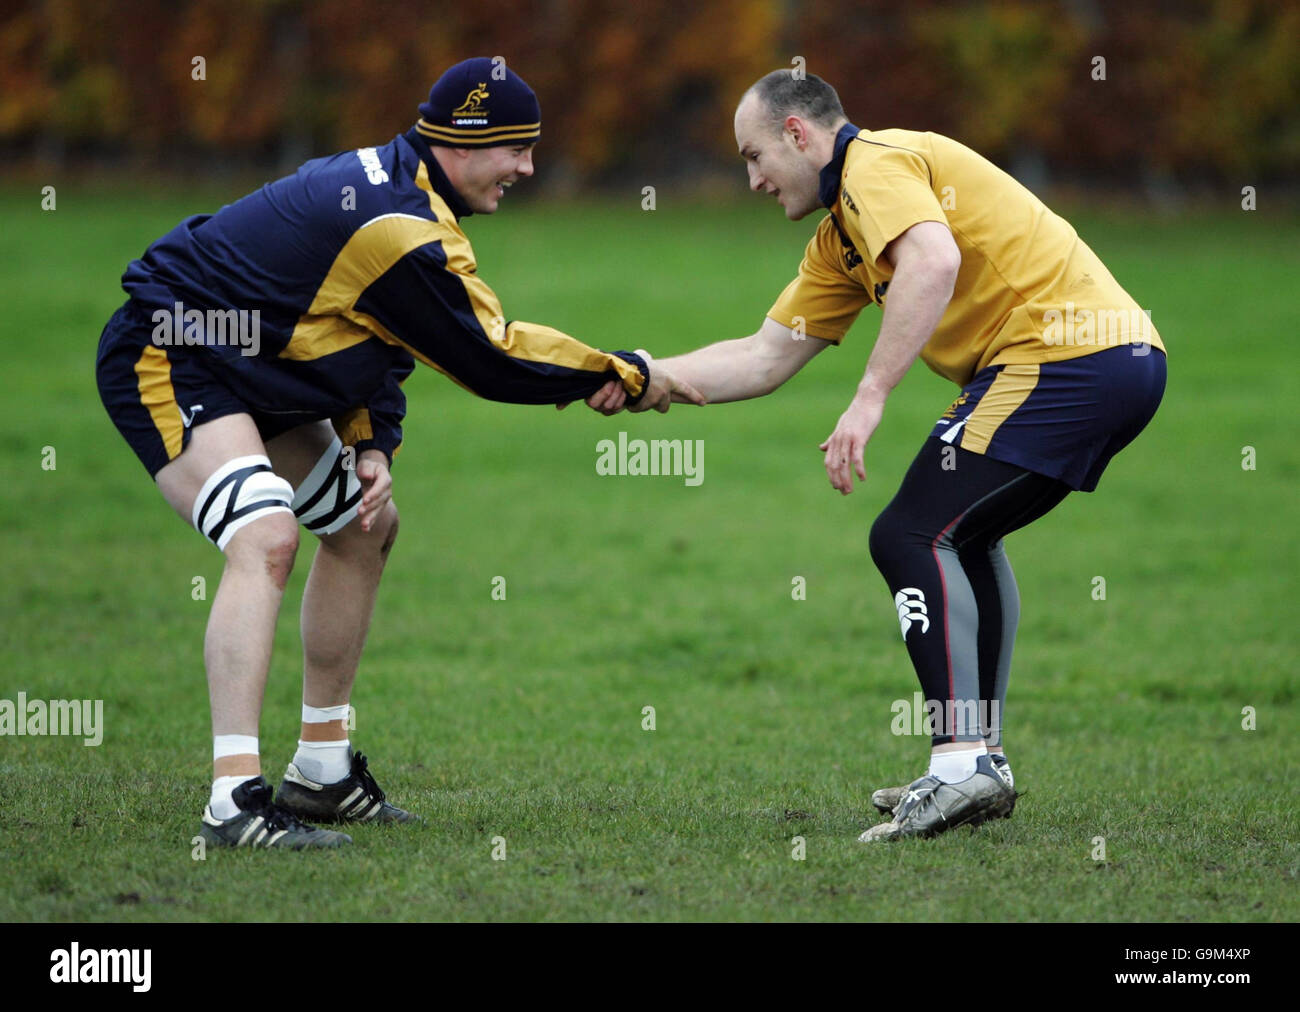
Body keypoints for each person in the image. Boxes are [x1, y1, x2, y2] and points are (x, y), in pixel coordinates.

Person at [96, 57, 701, 849]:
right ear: (460, 141)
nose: (527, 166)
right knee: (266, 536)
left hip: (257, 369)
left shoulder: (404, 195)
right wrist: (619, 369)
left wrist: (370, 440)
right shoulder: (400, 224)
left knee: (365, 527)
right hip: (172, 353)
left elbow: (364, 327)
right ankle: (233, 803)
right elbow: (489, 355)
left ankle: (320, 771)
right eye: (515, 148)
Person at [598, 69, 1166, 841]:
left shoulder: (876, 165)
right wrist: (644, 376)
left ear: (799, 135)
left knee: (906, 534)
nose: (753, 178)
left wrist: (869, 398)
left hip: (1067, 358)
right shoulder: (841, 239)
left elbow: (933, 262)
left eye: (754, 155)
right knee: (959, 535)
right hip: (1108, 359)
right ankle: (979, 759)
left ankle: (962, 760)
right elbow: (765, 358)